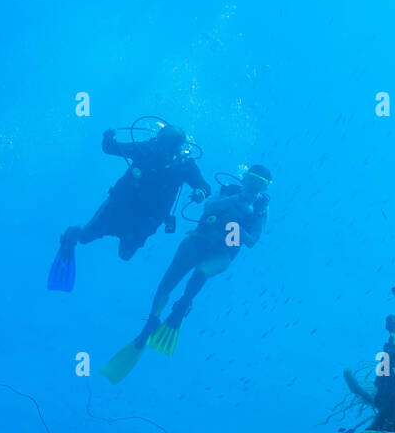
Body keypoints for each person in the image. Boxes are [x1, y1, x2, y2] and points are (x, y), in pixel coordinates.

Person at [100, 165, 272, 384]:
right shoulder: (229, 189)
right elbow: (208, 207)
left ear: (265, 187)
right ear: (244, 178)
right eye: (252, 180)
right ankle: (152, 320)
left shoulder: (260, 208)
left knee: (201, 272)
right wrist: (236, 199)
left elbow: (251, 241)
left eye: (260, 183)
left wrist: (236, 227)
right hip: (198, 240)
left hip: (223, 252)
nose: (254, 186)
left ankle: (182, 306)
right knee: (167, 282)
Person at [47, 122, 211, 291]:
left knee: (125, 255)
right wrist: (108, 137)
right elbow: (110, 148)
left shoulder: (185, 166)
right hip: (118, 208)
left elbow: (205, 187)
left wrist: (200, 193)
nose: (162, 151)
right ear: (158, 141)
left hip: (146, 219)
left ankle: (81, 235)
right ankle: (70, 236)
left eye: (168, 148)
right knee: (84, 237)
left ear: (177, 149)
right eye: (161, 146)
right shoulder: (146, 149)